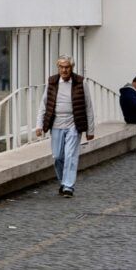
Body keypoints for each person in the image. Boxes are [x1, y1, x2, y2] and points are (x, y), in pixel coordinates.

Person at [36, 56, 93, 196]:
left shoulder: (80, 82)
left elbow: (88, 106)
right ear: (58, 68)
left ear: (71, 68)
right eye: (61, 67)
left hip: (74, 123)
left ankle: (68, 186)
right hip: (56, 124)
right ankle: (63, 181)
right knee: (57, 156)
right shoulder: (52, 82)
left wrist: (90, 129)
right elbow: (44, 105)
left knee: (70, 155)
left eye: (67, 67)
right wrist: (39, 125)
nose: (64, 70)